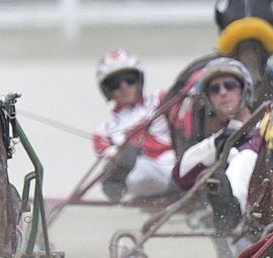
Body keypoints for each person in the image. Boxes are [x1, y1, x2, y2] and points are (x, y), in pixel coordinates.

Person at [173, 57, 261, 235]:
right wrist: (217, 145)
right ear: (209, 99)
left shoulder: (267, 128)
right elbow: (180, 176)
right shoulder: (219, 140)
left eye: (229, 85)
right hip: (236, 231)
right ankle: (228, 210)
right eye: (214, 89)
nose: (222, 93)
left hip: (266, 213)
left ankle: (233, 209)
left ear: (245, 91)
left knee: (242, 156)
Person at [92, 49, 177, 202]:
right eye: (115, 84)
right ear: (107, 90)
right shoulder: (103, 132)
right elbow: (110, 160)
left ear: (139, 80)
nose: (124, 86)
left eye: (129, 79)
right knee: (137, 170)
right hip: (142, 178)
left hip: (178, 168)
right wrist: (121, 158)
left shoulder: (161, 99)